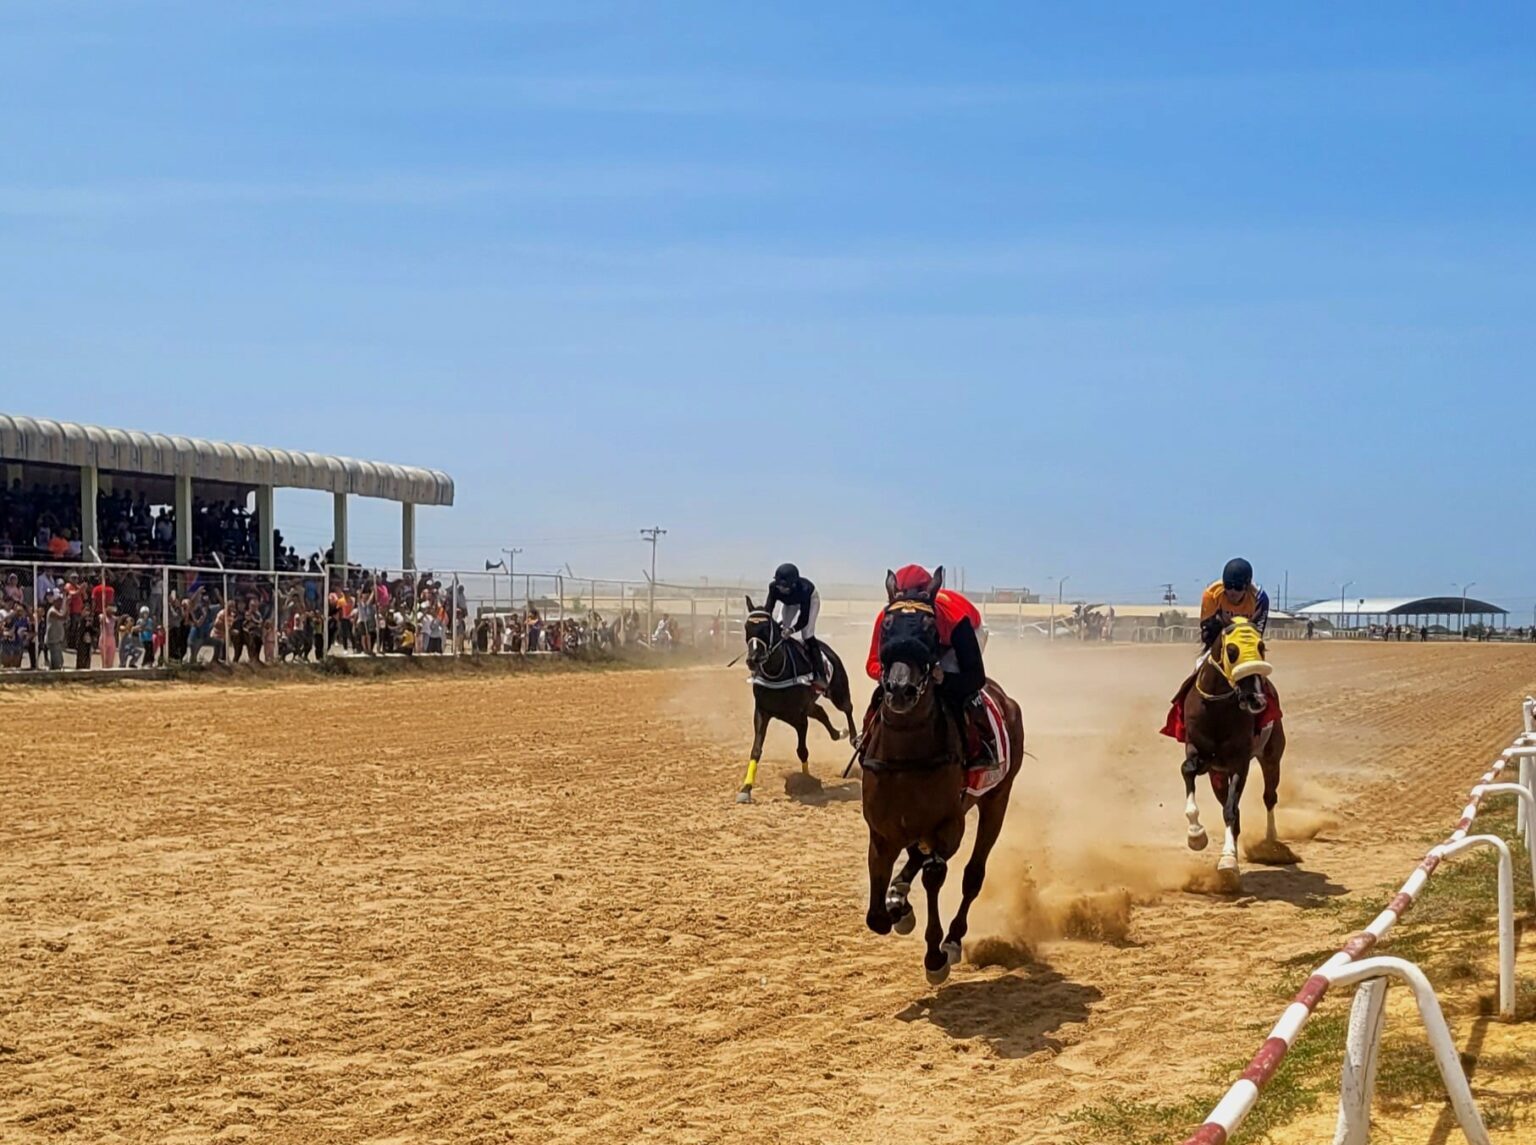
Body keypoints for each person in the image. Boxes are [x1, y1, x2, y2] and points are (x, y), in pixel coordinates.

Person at [863, 564, 997, 771]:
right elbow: (872, 662)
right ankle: (865, 740)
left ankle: (983, 744)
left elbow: (975, 677)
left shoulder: (955, 620)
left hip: (959, 635)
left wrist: (945, 678)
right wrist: (885, 676)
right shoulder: (887, 618)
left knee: (957, 688)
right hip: (928, 642)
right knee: (884, 690)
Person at [763, 563, 826, 685]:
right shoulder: (773, 587)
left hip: (810, 601)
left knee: (807, 634)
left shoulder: (804, 590)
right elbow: (768, 609)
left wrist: (792, 630)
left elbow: (804, 619)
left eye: (784, 586)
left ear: (793, 584)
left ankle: (820, 674)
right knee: (781, 631)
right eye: (779, 585)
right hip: (789, 604)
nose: (780, 589)